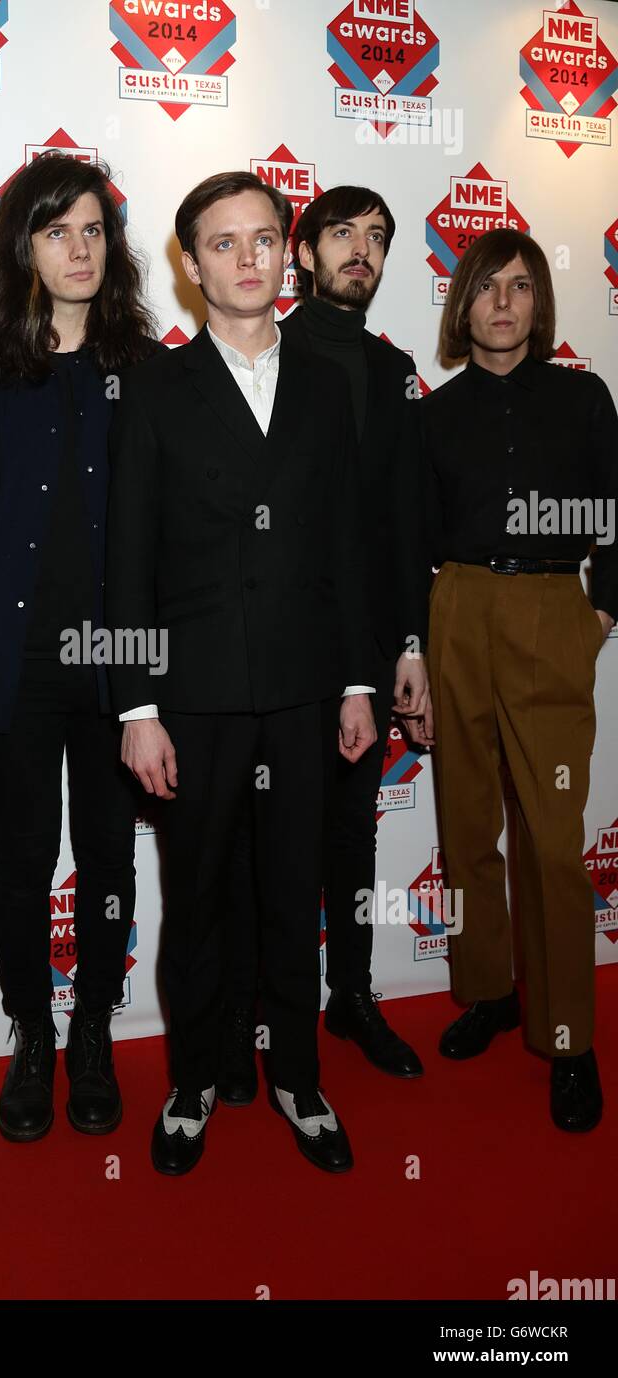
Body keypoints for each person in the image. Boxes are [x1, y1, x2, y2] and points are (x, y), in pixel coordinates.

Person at [106, 171, 377, 1176]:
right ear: (190, 265)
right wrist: (137, 704)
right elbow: (126, 558)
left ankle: (298, 1077)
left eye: (265, 237)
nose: (249, 258)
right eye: (224, 243)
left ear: (287, 251)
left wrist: (355, 680)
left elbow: (344, 545)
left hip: (307, 691)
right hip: (197, 694)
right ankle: (195, 1078)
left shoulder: (324, 381)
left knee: (290, 894)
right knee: (200, 895)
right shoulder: (155, 389)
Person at [0, 154, 158, 1143]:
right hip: (15, 664)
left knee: (109, 857)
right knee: (25, 862)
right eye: (57, 230)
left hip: (122, 668)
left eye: (95, 230)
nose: (80, 249)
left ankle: (96, 1030)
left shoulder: (150, 372)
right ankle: (32, 1033)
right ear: (21, 246)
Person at [216, 187, 430, 1106]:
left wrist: (408, 646)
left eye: (379, 239)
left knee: (351, 834)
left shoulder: (393, 373)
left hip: (367, 646)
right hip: (270, 651)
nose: (363, 252)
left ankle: (349, 996)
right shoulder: (266, 350)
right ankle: (261, 1014)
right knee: (261, 844)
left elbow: (404, 522)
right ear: (300, 252)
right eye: (344, 234)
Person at [418, 227, 617, 1132]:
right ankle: (489, 991)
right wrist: (413, 649)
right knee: (465, 827)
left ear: (540, 304)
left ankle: (568, 1036)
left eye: (522, 288)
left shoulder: (583, 398)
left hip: (549, 609)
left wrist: (598, 616)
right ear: (463, 306)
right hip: (457, 608)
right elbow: (413, 540)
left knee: (551, 843)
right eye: (487, 288)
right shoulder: (434, 413)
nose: (503, 303)